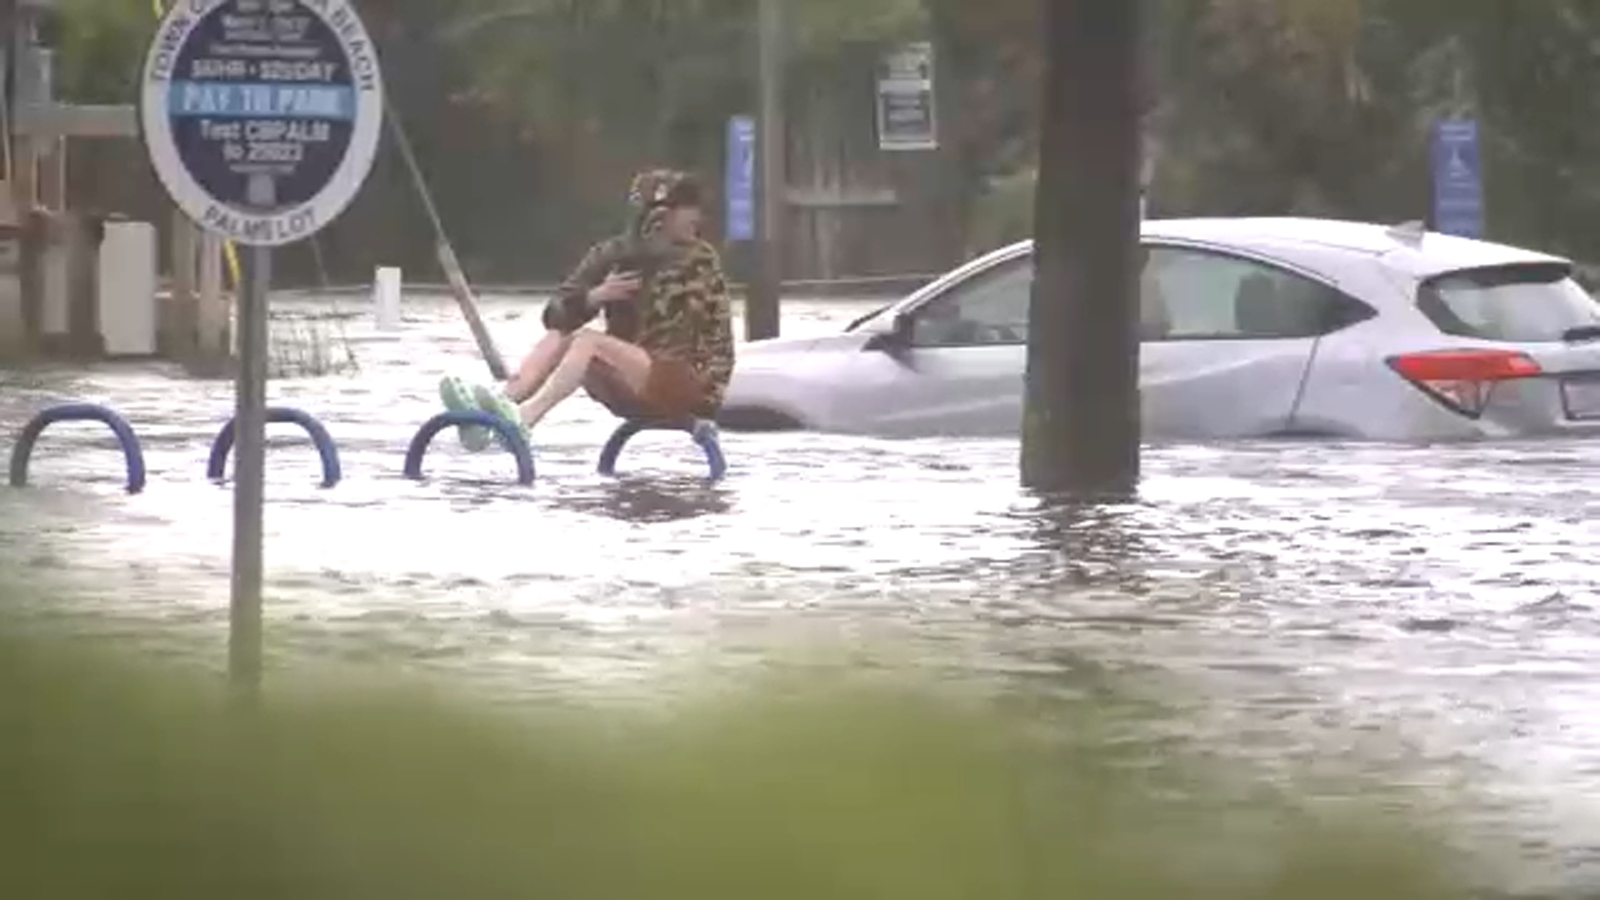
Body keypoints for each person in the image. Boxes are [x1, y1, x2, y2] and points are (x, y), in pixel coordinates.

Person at [440, 168, 736, 450]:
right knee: (564, 335)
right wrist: (596, 296)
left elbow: (714, 340)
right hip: (629, 378)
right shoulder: (615, 253)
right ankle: (499, 406)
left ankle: (527, 418)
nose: (697, 216)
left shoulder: (700, 260)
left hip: (683, 384)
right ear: (657, 213)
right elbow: (554, 315)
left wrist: (708, 405)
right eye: (687, 207)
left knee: (589, 340)